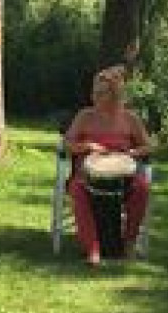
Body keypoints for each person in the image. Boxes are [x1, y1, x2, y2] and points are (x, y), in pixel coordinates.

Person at [64, 65, 152, 266]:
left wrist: (132, 153)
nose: (94, 97)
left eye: (101, 93)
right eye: (93, 92)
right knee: (77, 190)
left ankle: (129, 244)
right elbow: (67, 143)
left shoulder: (130, 118)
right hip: (87, 175)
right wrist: (86, 145)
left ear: (114, 95)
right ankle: (92, 248)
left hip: (124, 176)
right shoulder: (85, 115)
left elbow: (149, 146)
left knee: (142, 189)